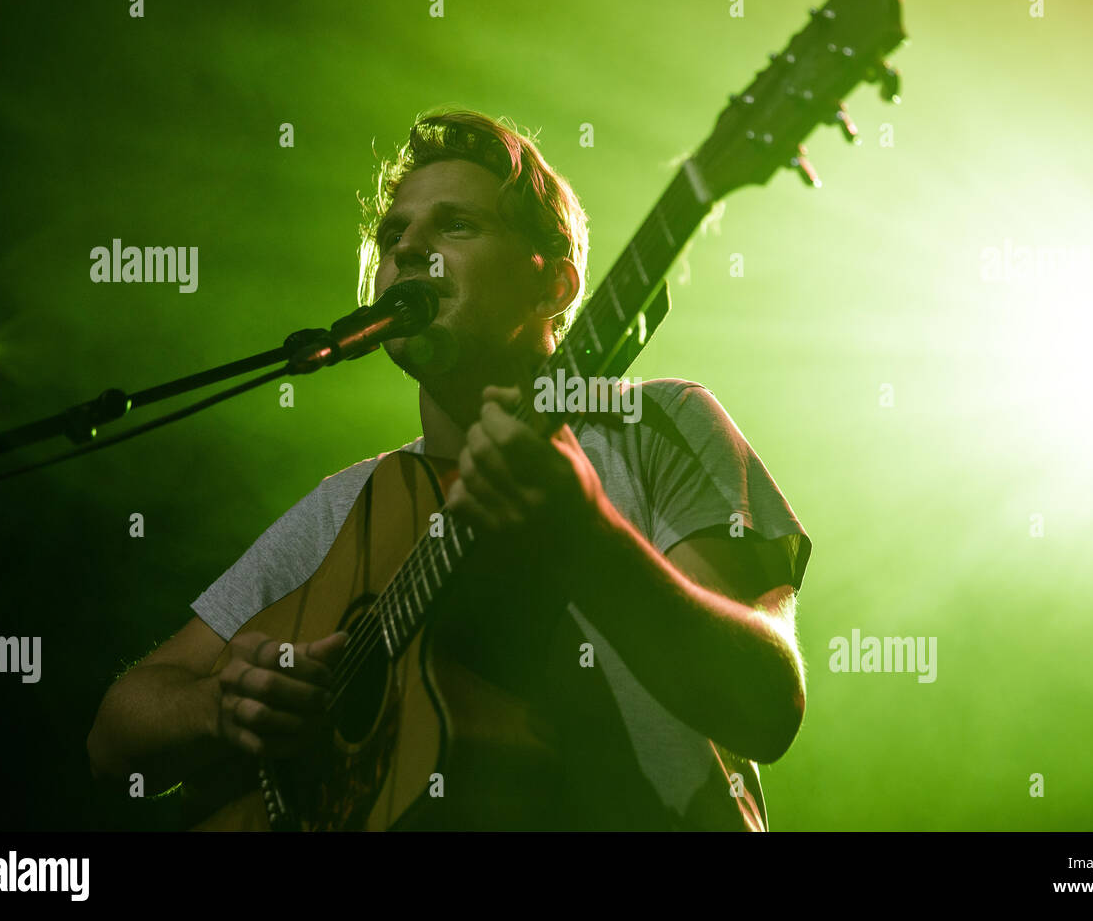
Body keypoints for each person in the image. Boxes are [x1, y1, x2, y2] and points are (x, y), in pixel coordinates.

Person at [87, 109, 811, 830]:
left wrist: (590, 536)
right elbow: (115, 739)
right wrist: (225, 706)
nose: (407, 251)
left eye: (456, 225)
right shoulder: (348, 507)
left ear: (554, 288)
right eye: (391, 236)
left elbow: (765, 708)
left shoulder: (658, 424)